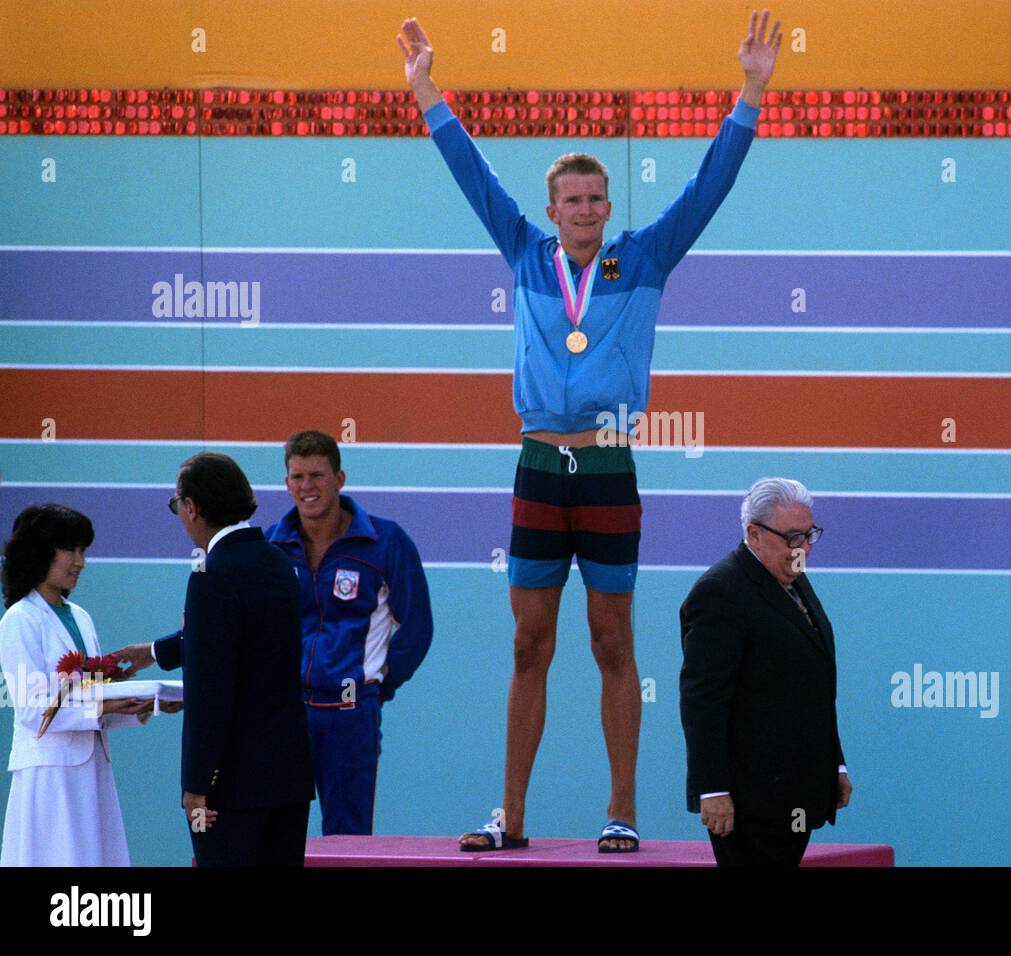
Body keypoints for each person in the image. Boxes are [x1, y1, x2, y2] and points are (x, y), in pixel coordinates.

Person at [397, 10, 784, 853]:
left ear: (608, 207)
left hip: (608, 471)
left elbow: (709, 185)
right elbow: (473, 175)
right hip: (538, 466)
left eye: (595, 199)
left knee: (613, 641)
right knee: (529, 643)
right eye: (569, 200)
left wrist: (751, 90)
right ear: (551, 208)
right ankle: (514, 819)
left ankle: (622, 812)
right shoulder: (522, 251)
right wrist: (426, 90)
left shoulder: (642, 259)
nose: (583, 209)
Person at [119, 433, 431, 837]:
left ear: (340, 478)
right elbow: (226, 634)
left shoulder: (386, 542)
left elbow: (417, 627)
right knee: (277, 836)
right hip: (283, 715)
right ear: (286, 483)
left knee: (347, 840)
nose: (307, 487)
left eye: (317, 475)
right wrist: (156, 653)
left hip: (349, 715)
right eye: (297, 477)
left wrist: (375, 687)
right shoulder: (270, 546)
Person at [132, 453, 315, 865]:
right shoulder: (278, 563)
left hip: (232, 787)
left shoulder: (211, 576)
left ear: (192, 506)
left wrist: (198, 784)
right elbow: (239, 639)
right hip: (287, 777)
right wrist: (154, 652)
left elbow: (211, 691)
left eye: (177, 505)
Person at [679, 478, 850, 866]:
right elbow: (703, 701)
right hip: (749, 800)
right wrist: (712, 789)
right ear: (754, 534)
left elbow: (815, 683)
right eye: (793, 537)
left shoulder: (793, 579)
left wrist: (834, 763)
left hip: (797, 791)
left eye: (809, 535)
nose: (803, 548)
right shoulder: (719, 593)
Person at [0, 504, 156, 866]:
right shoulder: (19, 619)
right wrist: (105, 706)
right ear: (40, 552)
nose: (80, 561)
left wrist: (139, 704)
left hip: (91, 768)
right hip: (51, 775)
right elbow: (32, 709)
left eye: (84, 550)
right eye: (69, 549)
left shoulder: (81, 617)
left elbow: (94, 696)